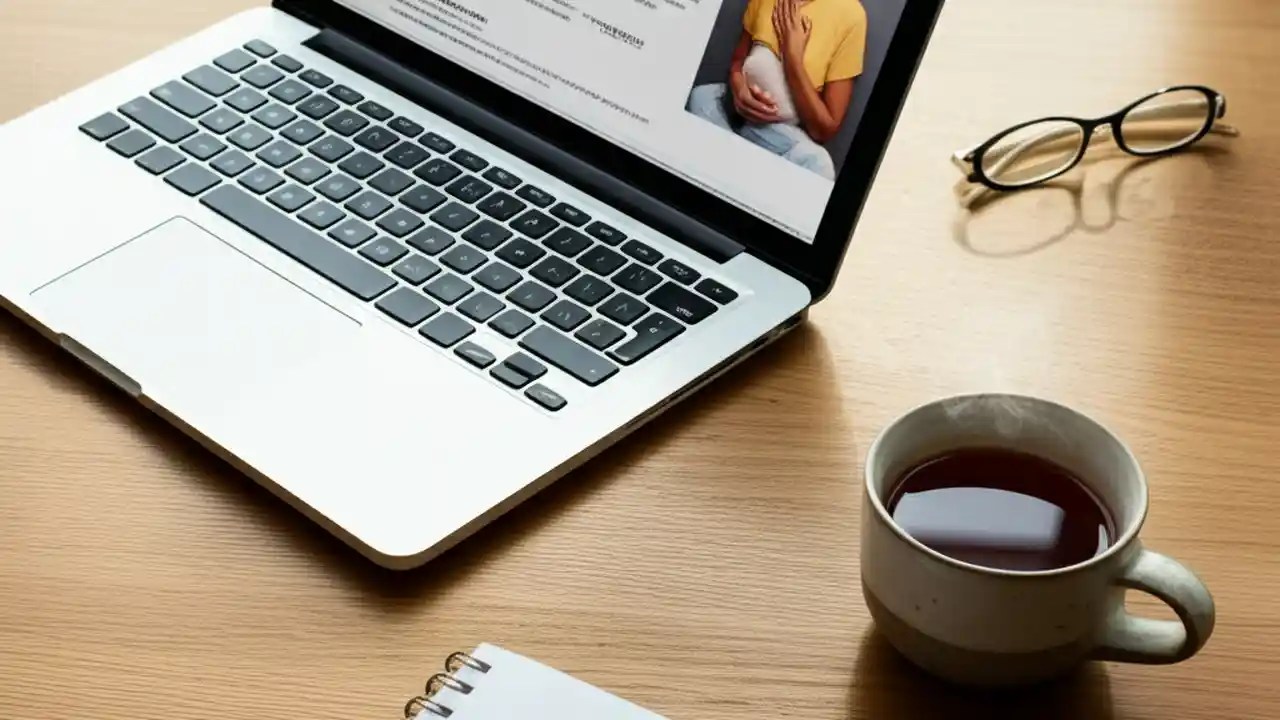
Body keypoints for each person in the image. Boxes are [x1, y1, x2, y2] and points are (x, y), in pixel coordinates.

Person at [686, 0, 867, 180]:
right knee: (702, 96)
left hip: (779, 137)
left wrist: (792, 57)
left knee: (819, 164)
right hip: (733, 114)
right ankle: (739, 175)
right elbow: (737, 63)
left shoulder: (851, 16)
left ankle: (728, 172)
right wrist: (738, 90)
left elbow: (823, 129)